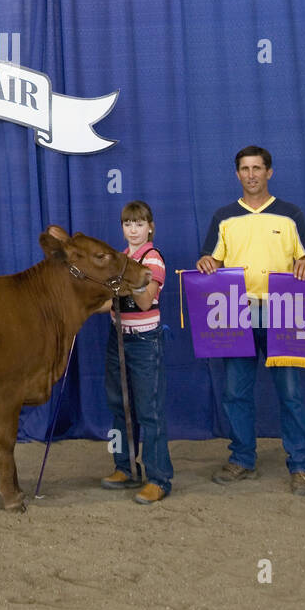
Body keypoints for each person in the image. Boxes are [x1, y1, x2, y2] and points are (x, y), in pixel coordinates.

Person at [196, 145, 305, 496]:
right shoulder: (224, 217)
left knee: (290, 392)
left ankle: (301, 466)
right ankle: (242, 459)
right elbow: (211, 259)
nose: (251, 174)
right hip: (236, 310)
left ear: (269, 172)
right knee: (236, 392)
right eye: (245, 169)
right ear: (237, 174)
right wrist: (208, 263)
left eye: (257, 168)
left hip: (283, 310)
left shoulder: (290, 214)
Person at [100, 201, 173, 505]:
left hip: (144, 341)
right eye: (128, 224)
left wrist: (123, 287)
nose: (133, 230)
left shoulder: (152, 259)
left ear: (150, 227)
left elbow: (145, 301)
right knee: (121, 406)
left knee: (148, 410)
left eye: (139, 224)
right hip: (117, 338)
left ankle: (159, 479)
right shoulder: (120, 259)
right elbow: (107, 302)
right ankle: (126, 467)